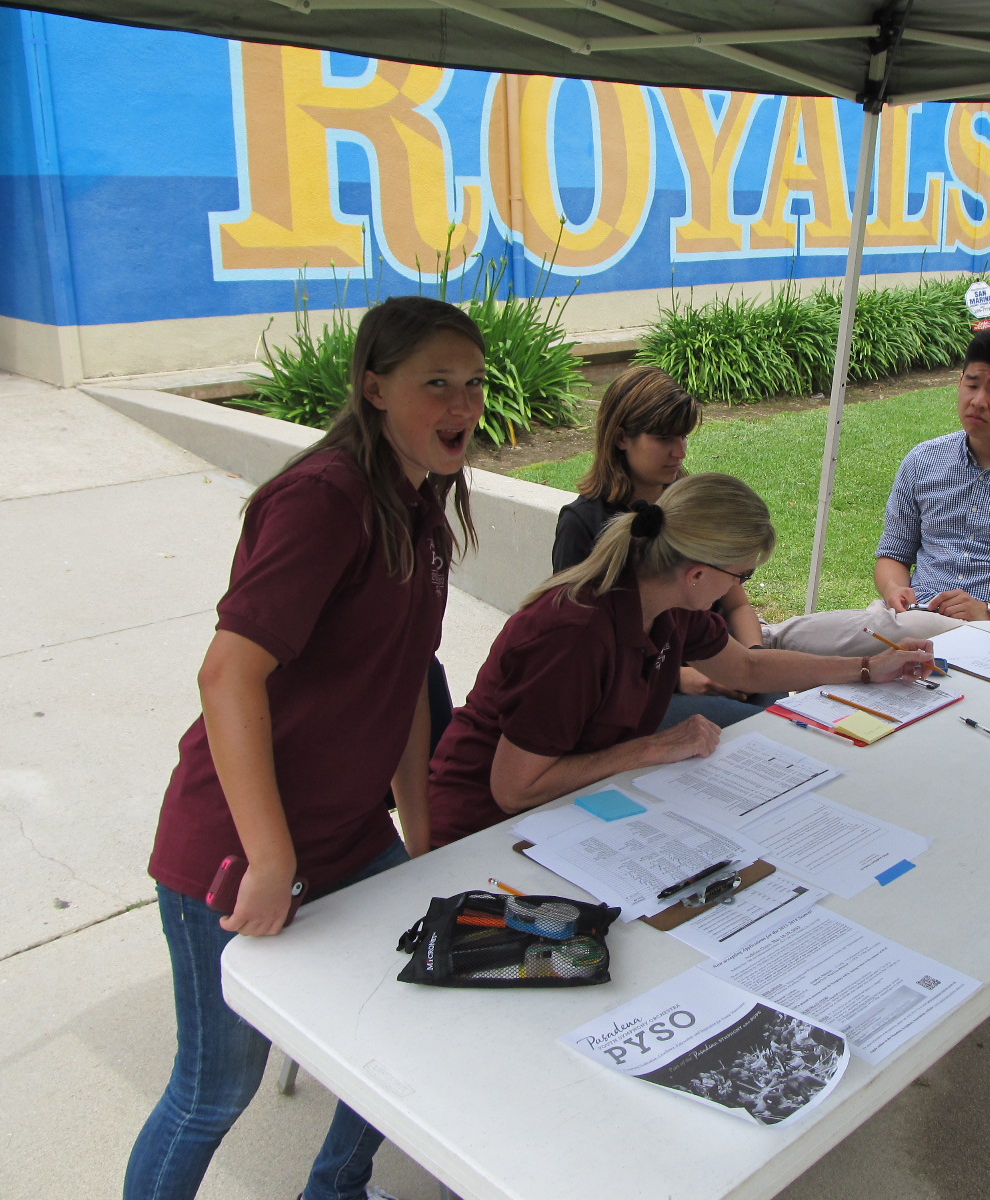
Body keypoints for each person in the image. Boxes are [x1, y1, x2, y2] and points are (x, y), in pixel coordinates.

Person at [124, 296, 486, 1200]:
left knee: (400, 1021)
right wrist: (269, 854)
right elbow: (226, 676)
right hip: (233, 847)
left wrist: (418, 830)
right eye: (433, 383)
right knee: (213, 1094)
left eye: (473, 384)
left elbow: (407, 674)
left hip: (349, 836)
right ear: (372, 388)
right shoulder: (325, 500)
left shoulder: (422, 508)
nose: (461, 405)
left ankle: (335, 1189)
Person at [427, 472, 933, 846]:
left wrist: (868, 668)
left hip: (568, 809)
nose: (738, 589)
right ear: (696, 574)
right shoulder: (574, 634)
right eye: (741, 575)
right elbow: (515, 788)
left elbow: (747, 667)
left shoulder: (666, 602)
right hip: (481, 831)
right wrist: (652, 748)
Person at [765, 327, 990, 657]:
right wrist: (895, 589)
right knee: (888, 633)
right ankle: (758, 658)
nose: (978, 401)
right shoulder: (924, 461)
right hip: (911, 616)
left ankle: (763, 641)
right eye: (972, 385)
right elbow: (894, 554)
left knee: (890, 631)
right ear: (960, 382)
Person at [552, 364, 773, 728]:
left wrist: (752, 657)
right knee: (753, 727)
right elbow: (578, 646)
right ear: (621, 437)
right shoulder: (582, 524)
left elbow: (736, 603)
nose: (680, 452)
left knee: (779, 711)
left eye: (684, 437)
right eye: (665, 439)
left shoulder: (693, 505)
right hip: (648, 689)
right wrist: (686, 678)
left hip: (725, 662)